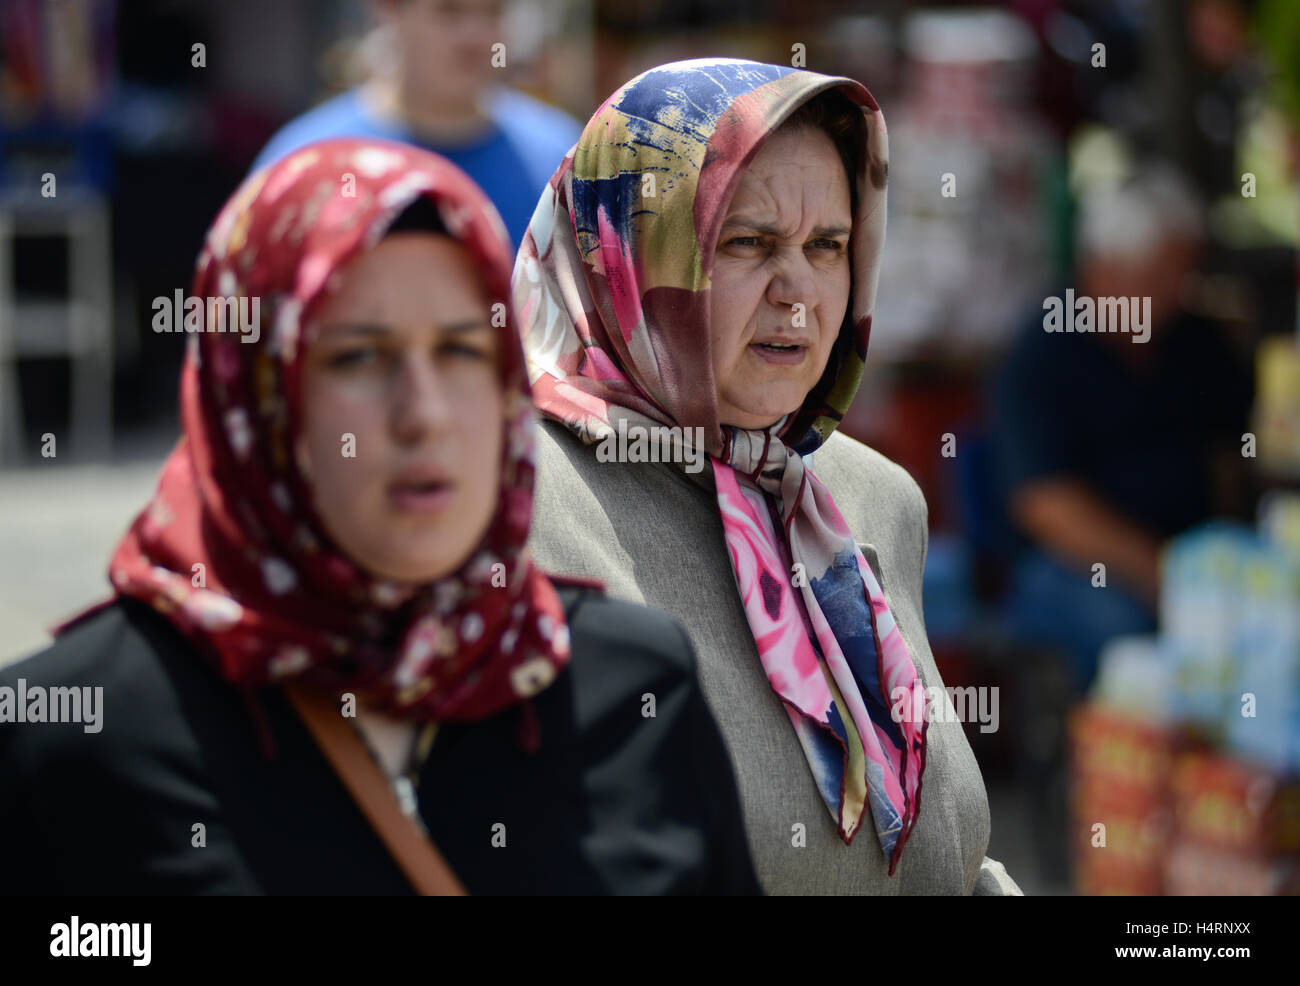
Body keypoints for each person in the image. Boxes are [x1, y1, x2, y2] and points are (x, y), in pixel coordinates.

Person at [0, 138, 761, 896]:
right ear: (254, 390)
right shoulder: (80, 733)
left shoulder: (628, 686)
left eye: (463, 352)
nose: (424, 416)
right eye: (359, 358)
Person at [514, 58, 1022, 895]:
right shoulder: (522, 501)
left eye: (828, 246)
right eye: (748, 242)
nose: (800, 293)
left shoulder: (867, 499)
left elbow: (949, 861)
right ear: (626, 256)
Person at [992, 166, 1255, 693]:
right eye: (1160, 277)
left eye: (1186, 276)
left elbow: (1228, 459)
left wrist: (1225, 564)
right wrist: (1166, 578)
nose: (1179, 294)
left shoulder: (1195, 340)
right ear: (1103, 271)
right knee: (1128, 634)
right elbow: (1046, 505)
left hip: (1191, 559)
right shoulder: (1042, 350)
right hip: (1069, 565)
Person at [249, 0, 582, 250]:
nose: (476, 37)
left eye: (493, 12)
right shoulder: (304, 162)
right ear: (389, 10)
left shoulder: (561, 157)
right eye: (449, 11)